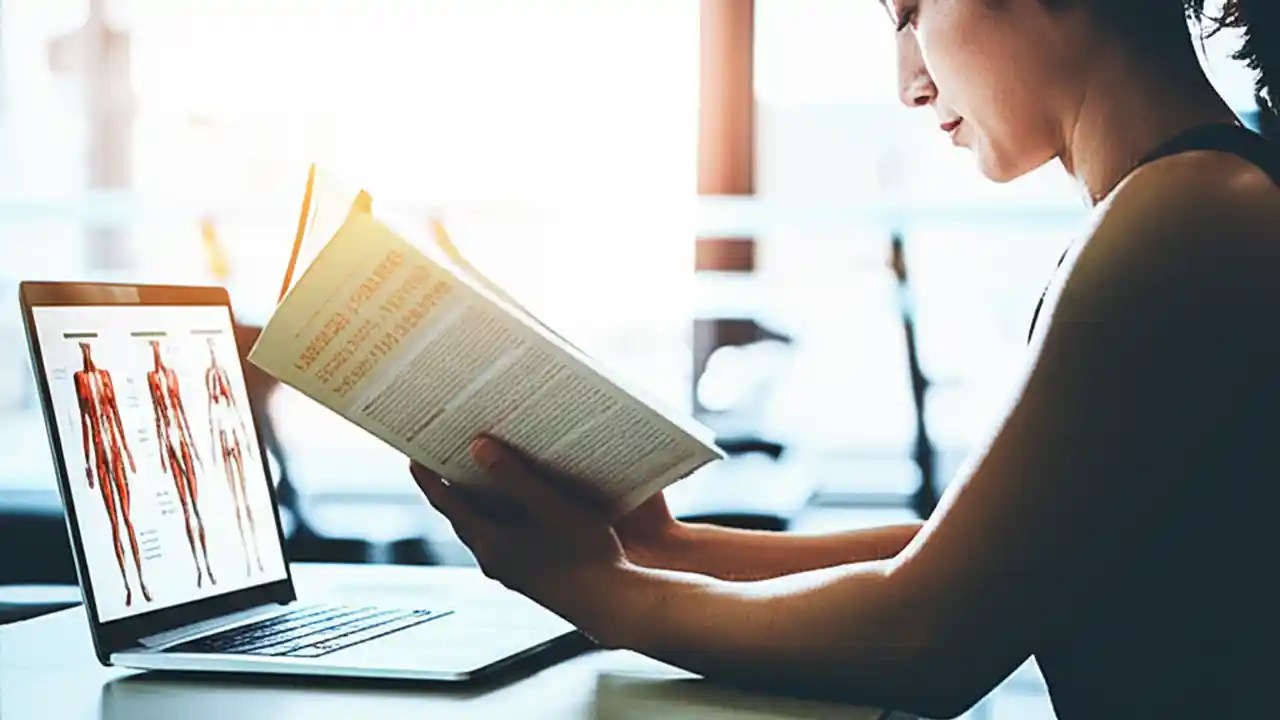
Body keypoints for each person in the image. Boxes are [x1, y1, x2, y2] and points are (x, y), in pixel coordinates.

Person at [412, 1, 1279, 717]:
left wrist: (603, 594)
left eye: (912, 12)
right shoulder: (1185, 200)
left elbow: (930, 634)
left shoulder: (1191, 214)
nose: (909, 81)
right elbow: (971, 557)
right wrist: (659, 548)